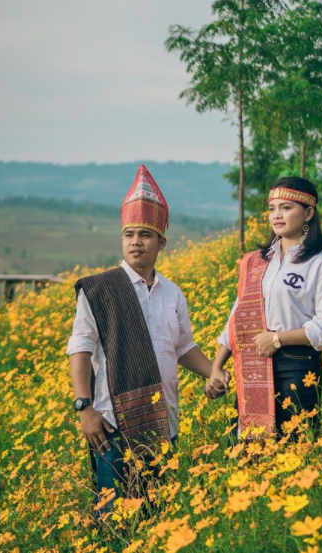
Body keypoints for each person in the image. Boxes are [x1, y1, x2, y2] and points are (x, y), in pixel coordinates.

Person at [67, 165, 214, 518]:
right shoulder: (100, 290)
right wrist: (84, 408)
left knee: (160, 520)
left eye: (145, 235)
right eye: (129, 234)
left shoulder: (173, 294)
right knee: (116, 521)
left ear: (161, 242)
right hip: (112, 426)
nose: (136, 241)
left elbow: (183, 349)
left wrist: (216, 373)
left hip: (165, 424)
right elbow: (80, 348)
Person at [208, 176, 322, 439]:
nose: (277, 215)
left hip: (297, 363)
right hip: (254, 364)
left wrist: (277, 339)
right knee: (251, 447)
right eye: (272, 209)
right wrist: (217, 366)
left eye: (286, 208)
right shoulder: (257, 262)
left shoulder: (320, 265)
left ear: (308, 213)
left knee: (295, 445)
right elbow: (238, 317)